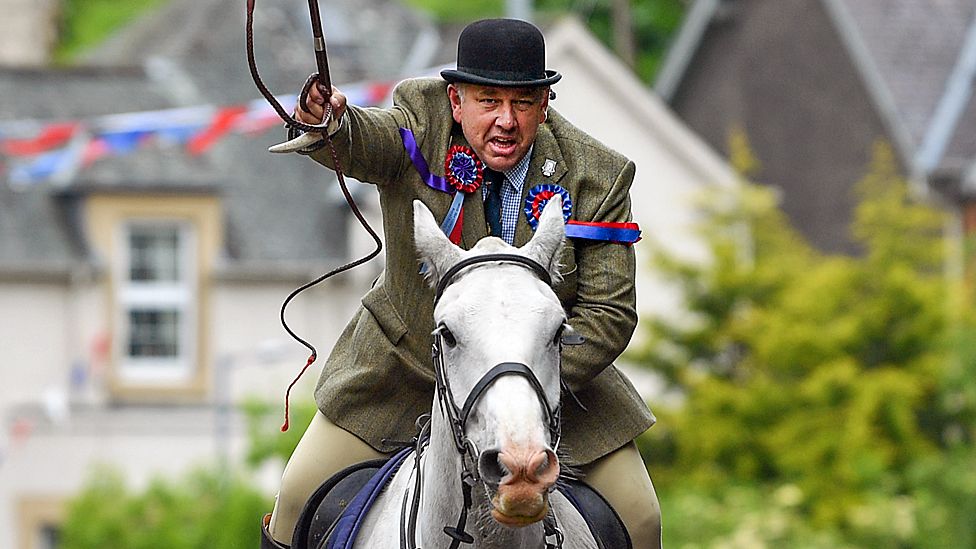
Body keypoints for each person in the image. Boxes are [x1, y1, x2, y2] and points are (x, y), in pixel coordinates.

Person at [262, 18, 661, 548]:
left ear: (545, 104)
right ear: (455, 100)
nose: (505, 120)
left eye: (522, 103)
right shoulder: (420, 119)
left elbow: (609, 314)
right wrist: (331, 126)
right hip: (403, 369)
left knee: (642, 516)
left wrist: (519, 381)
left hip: (545, 383)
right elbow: (368, 139)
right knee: (293, 500)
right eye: (487, 100)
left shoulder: (599, 175)